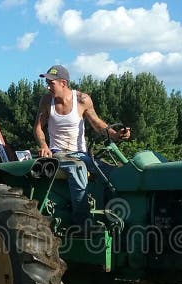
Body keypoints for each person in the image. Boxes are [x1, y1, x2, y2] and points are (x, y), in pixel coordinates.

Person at [34, 64, 131, 227]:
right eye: (48, 83)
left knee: (113, 172)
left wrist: (116, 135)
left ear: (63, 83)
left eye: (51, 83)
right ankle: (82, 222)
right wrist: (44, 145)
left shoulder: (82, 100)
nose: (48, 86)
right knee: (77, 168)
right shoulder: (46, 101)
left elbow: (98, 124)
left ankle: (114, 215)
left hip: (81, 154)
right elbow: (37, 127)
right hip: (58, 153)